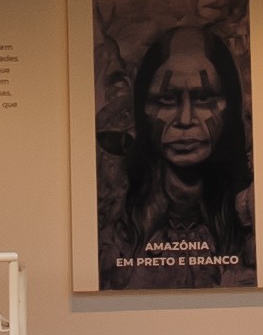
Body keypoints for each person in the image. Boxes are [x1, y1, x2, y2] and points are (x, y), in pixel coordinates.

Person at [104, 15, 254, 279]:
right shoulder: (116, 221)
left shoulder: (250, 216)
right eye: (166, 99)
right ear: (143, 109)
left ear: (229, 106)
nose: (185, 120)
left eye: (204, 98)